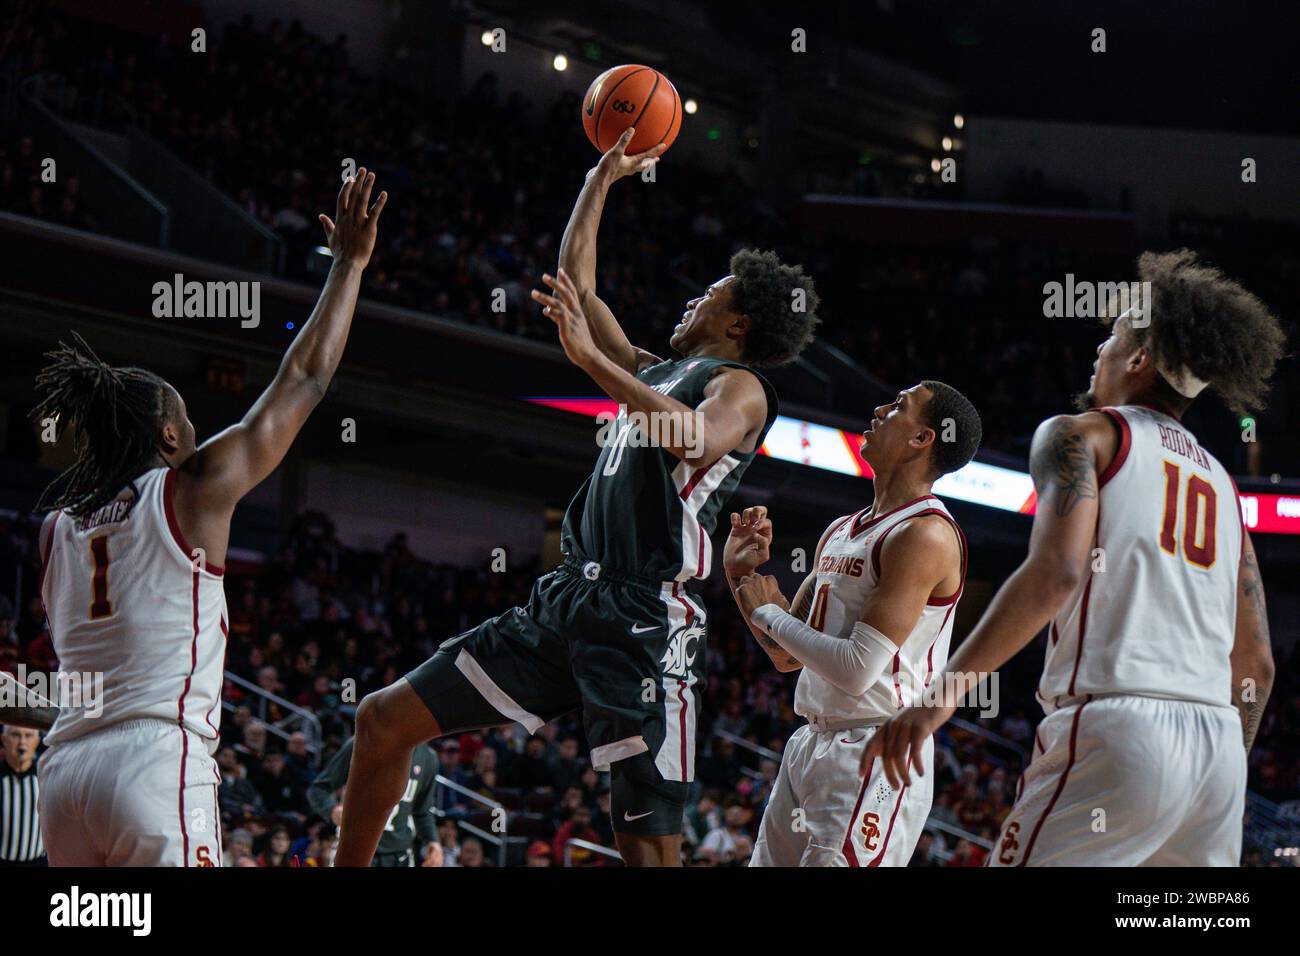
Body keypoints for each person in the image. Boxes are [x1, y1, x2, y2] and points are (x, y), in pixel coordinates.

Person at [337, 131, 820, 867]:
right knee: (380, 720)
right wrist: (600, 179)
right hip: (565, 600)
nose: (692, 300)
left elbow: (693, 438)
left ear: (739, 324)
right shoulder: (657, 371)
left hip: (643, 620)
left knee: (647, 851)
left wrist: (591, 361)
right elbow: (577, 287)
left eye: (709, 296)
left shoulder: (742, 388)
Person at [866, 250, 1285, 866]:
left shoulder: (1082, 434)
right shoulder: (1223, 486)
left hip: (1118, 725)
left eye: (1114, 337)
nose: (1101, 349)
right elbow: (1258, 665)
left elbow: (1055, 575)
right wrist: (1217, 766)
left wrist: (937, 699)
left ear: (1140, 360)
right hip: (1218, 754)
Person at [33, 169, 388, 866]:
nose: (197, 430)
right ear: (167, 438)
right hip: (152, 759)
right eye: (188, 419)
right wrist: (348, 265)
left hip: (65, 773)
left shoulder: (57, 527)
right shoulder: (188, 492)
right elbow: (305, 382)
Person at [728, 380, 981, 866]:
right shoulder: (841, 530)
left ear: (922, 439)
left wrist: (766, 609)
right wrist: (741, 575)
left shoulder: (924, 534)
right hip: (810, 742)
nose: (880, 408)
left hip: (876, 746)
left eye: (899, 406)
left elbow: (857, 668)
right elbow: (783, 655)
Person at [307, 736, 439, 867]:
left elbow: (422, 810)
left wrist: (433, 841)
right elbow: (317, 789)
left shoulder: (428, 758)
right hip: (355, 848)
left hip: (399, 855)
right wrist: (332, 810)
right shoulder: (363, 741)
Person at [0, 725, 44, 865]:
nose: (22, 742)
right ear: (4, 739)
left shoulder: (47, 778)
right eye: (15, 735)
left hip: (37, 862)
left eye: (28, 736)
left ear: (37, 741)